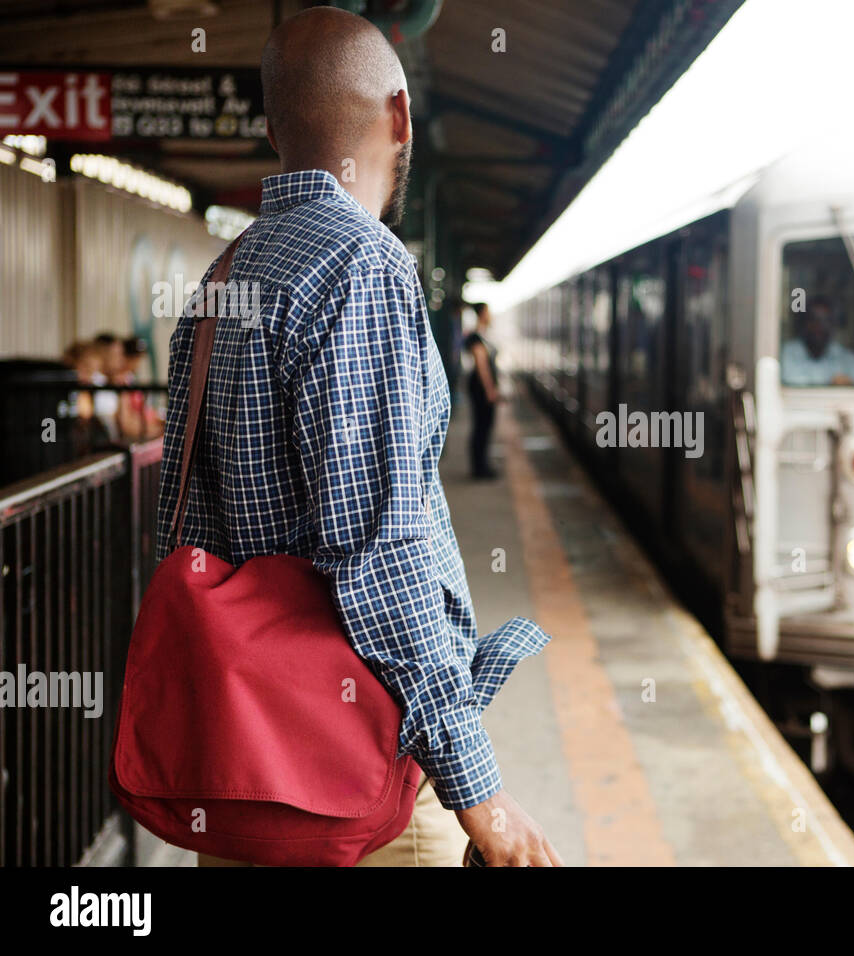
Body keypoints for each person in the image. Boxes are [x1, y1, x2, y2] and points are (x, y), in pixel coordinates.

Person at [155, 6, 561, 867]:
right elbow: (380, 555)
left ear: (273, 131)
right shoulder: (363, 265)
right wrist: (478, 789)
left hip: (244, 780)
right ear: (401, 116)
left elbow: (181, 530)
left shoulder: (222, 277)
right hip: (358, 780)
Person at [779, 294, 854, 386]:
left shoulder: (850, 362)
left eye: (825, 320)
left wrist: (848, 388)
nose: (819, 326)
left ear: (833, 324)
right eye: (813, 319)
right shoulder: (783, 357)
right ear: (803, 323)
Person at [462, 302, 500, 480]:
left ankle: (482, 465)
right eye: (488, 311)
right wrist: (490, 389)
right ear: (482, 314)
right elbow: (482, 366)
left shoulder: (481, 336)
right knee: (481, 427)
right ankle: (479, 468)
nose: (490, 315)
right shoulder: (476, 338)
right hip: (480, 388)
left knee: (484, 427)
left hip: (481, 387)